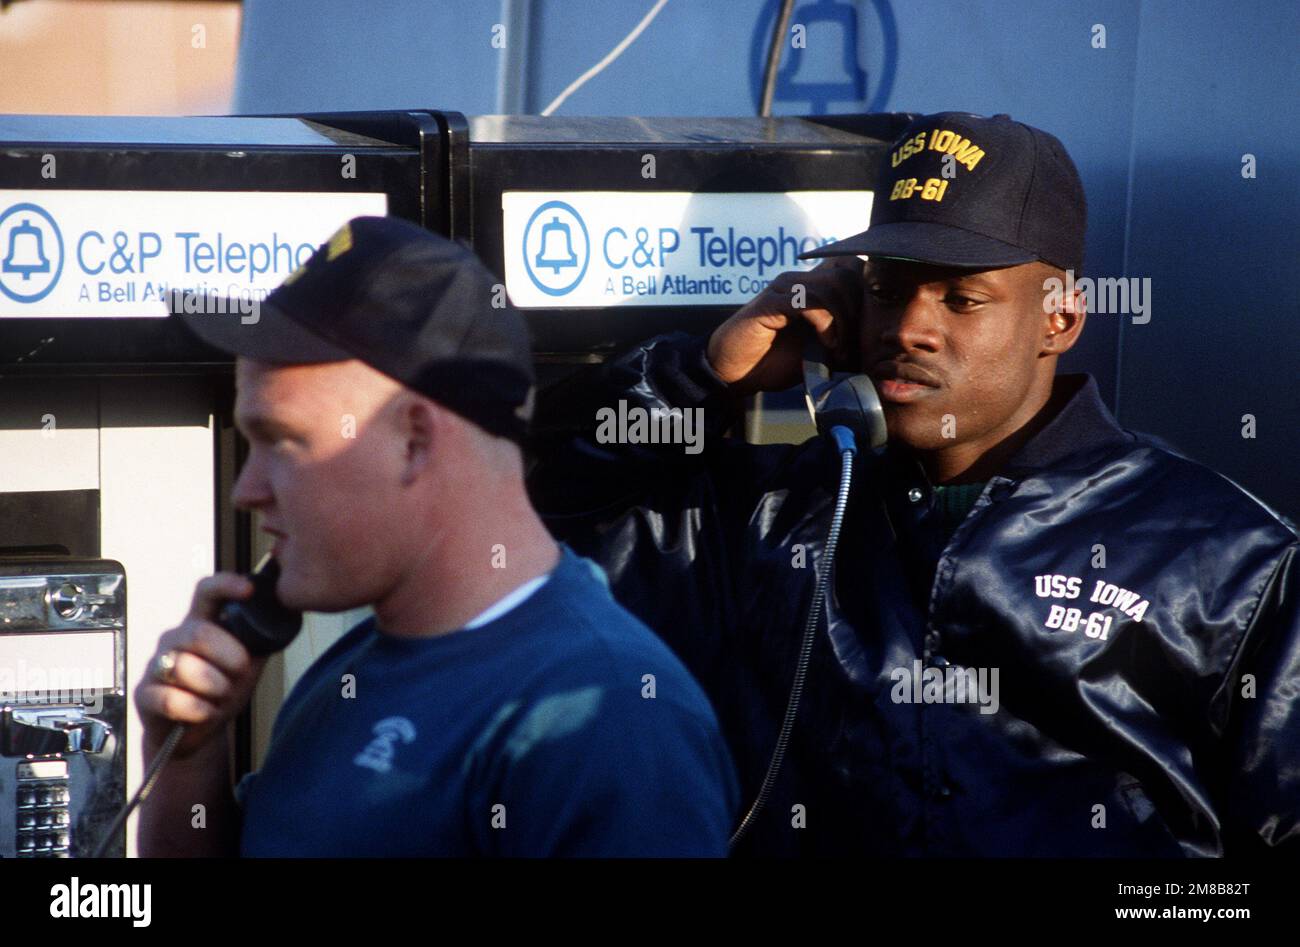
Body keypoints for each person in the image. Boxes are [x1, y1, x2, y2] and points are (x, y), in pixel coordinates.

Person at [529, 112, 1300, 856]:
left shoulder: (1225, 558)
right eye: (889, 291)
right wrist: (701, 376)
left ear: (1060, 319)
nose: (907, 329)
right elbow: (540, 510)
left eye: (961, 299)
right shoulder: (777, 513)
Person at [136, 216, 738, 857]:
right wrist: (188, 760)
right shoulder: (349, 672)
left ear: (416, 441)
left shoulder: (610, 722)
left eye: (282, 442)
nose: (246, 490)